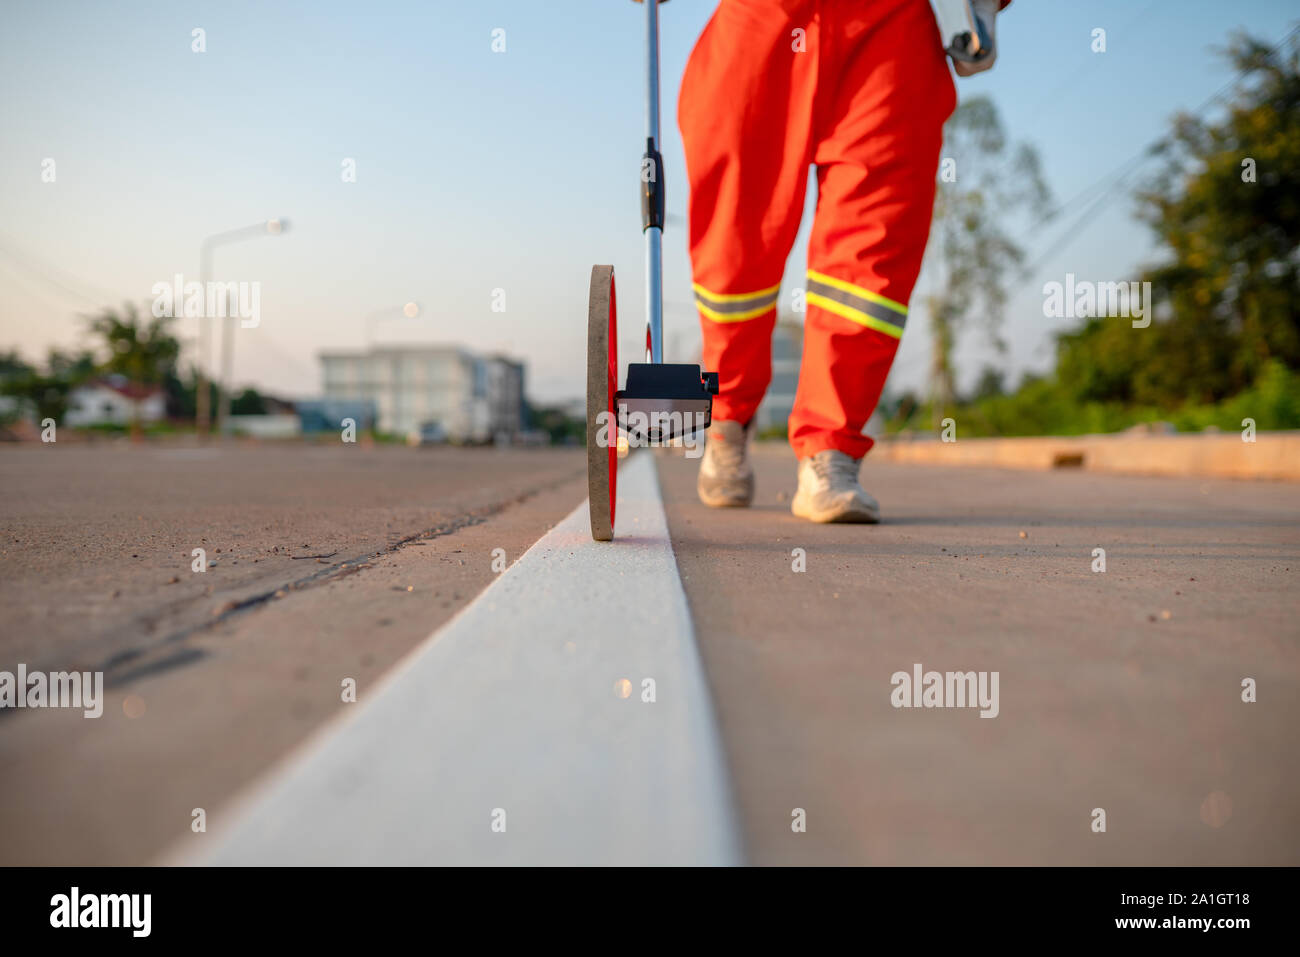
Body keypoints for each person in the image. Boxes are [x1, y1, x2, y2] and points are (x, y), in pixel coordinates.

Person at [681, 0, 1008, 522]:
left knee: (873, 243)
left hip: (896, 23)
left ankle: (829, 447)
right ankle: (726, 416)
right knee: (732, 244)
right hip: (762, 17)